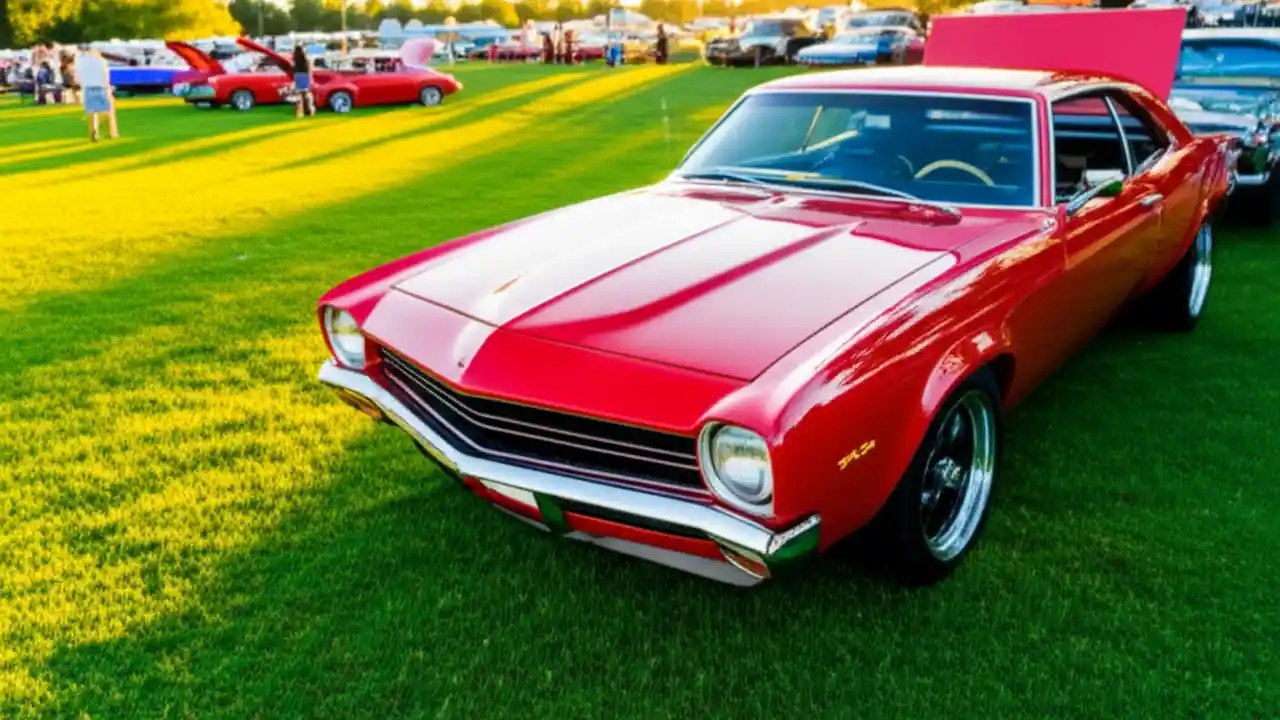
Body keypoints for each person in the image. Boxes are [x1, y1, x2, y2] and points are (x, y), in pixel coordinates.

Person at [75, 49, 117, 141]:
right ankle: (111, 132)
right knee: (109, 111)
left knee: (93, 112)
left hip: (89, 88)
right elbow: (106, 75)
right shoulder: (102, 62)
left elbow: (79, 78)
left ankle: (94, 131)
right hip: (101, 87)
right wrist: (108, 87)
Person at [291, 45, 315, 118]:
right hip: (305, 76)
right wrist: (310, 79)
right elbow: (310, 69)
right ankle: (311, 110)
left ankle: (300, 113)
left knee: (299, 95)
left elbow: (293, 69)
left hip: (298, 77)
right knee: (307, 94)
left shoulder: (295, 58)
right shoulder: (306, 58)